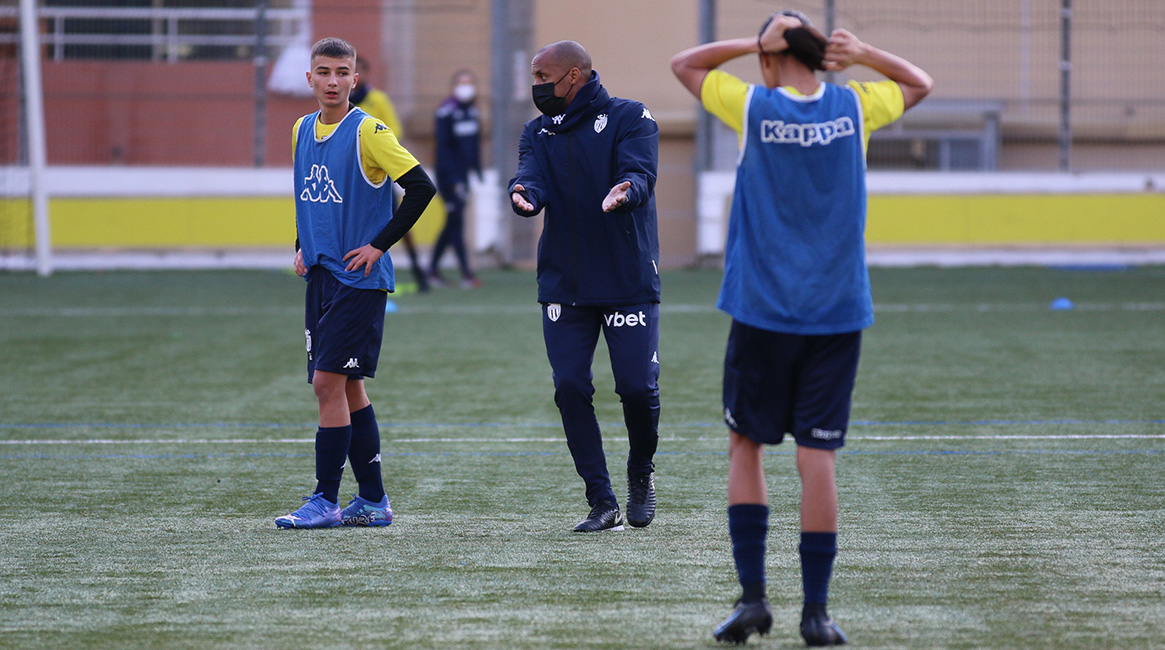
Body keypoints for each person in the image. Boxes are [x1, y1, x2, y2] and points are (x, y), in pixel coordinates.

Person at [671, 10, 932, 645]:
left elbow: (685, 64)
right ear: (823, 54)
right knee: (818, 458)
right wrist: (865, 52)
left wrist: (752, 43)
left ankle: (754, 600)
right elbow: (920, 83)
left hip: (763, 308)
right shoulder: (855, 106)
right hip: (837, 310)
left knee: (746, 446)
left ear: (766, 58)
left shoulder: (754, 107)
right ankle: (816, 614)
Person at [277, 37, 436, 529]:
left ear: (354, 80)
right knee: (348, 391)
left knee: (327, 383)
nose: (331, 81)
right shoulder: (302, 129)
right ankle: (372, 500)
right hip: (322, 276)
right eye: (322, 72)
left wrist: (378, 245)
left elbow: (420, 187)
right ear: (309, 78)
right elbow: (309, 196)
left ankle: (324, 500)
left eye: (341, 72)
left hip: (359, 281)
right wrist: (301, 244)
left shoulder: (369, 132)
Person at [508, 40, 662, 533]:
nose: (537, 87)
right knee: (570, 388)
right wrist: (523, 194)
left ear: (574, 76)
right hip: (564, 284)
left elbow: (640, 173)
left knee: (636, 389)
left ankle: (641, 473)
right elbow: (531, 177)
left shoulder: (631, 117)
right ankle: (602, 500)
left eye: (542, 77)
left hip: (626, 279)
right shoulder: (536, 132)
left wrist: (626, 190)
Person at [351, 56, 431, 294]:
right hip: (349, 176)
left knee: (398, 220)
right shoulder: (339, 104)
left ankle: (418, 271)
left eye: (357, 71)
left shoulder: (377, 100)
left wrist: (374, 148)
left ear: (363, 74)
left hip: (378, 175)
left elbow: (393, 129)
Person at [428, 69, 482, 289]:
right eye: (461, 82)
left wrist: (476, 169)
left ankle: (431, 270)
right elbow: (443, 148)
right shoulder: (446, 111)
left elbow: (474, 143)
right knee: (456, 223)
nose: (465, 86)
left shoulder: (472, 112)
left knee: (452, 222)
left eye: (469, 82)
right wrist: (452, 178)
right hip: (449, 176)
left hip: (463, 175)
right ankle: (466, 273)